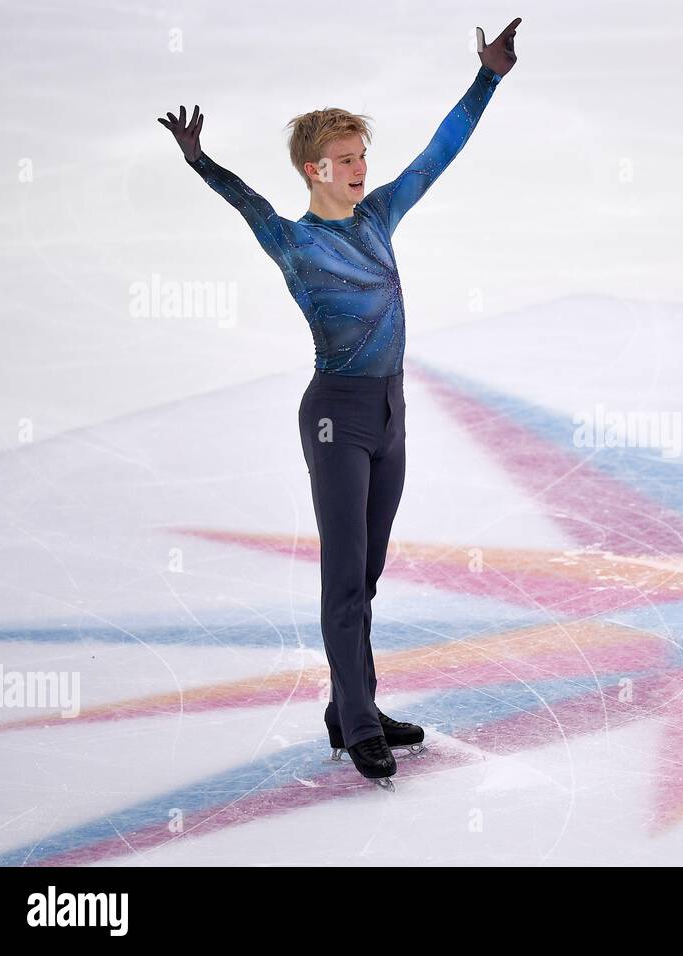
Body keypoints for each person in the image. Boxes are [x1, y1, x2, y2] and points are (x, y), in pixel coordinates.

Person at [158, 18, 522, 789]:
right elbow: (245, 199)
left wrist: (487, 79)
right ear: (314, 169)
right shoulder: (293, 242)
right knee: (344, 578)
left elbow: (438, 154)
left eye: (363, 157)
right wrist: (199, 160)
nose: (361, 168)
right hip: (335, 416)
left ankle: (349, 703)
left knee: (371, 571)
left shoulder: (380, 215)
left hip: (389, 413)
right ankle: (358, 726)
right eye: (347, 160)